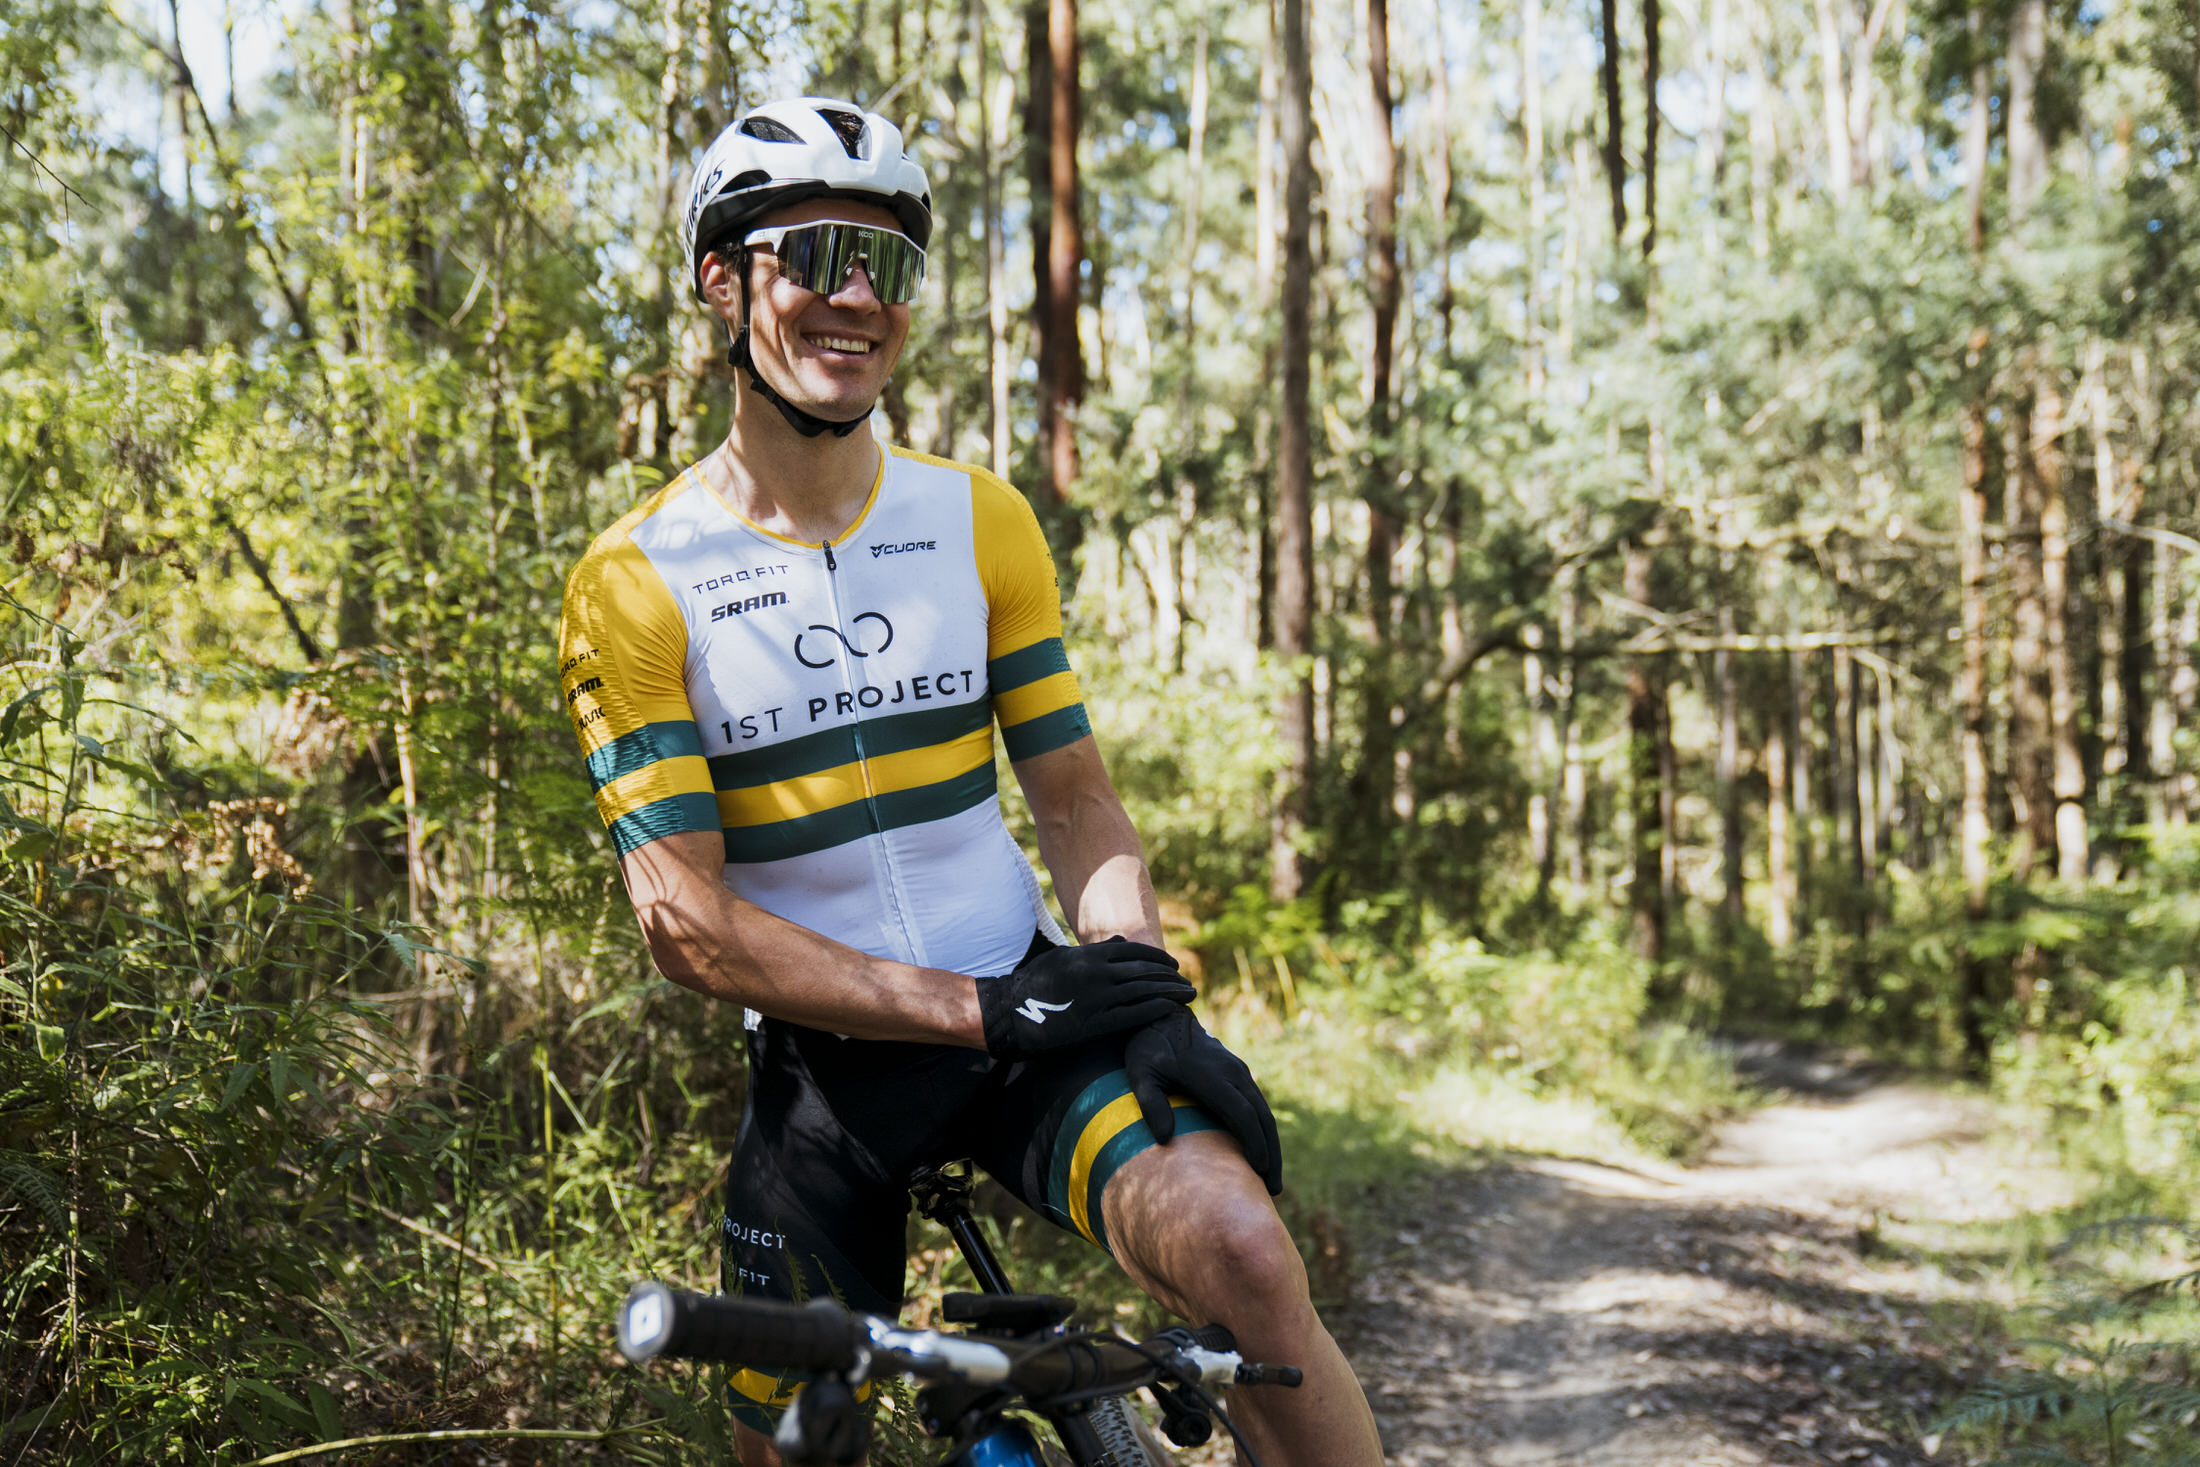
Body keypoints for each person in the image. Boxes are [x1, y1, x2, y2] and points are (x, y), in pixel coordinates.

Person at [559, 96, 1381, 1467]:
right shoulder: (636, 583)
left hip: (1034, 1035)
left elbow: (1071, 793)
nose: (857, 297)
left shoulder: (976, 519)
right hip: (831, 1091)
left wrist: (1141, 980)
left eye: (889, 265)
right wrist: (975, 1008)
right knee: (793, 1444)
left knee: (1241, 1252)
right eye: (815, 254)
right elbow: (686, 927)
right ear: (722, 280)